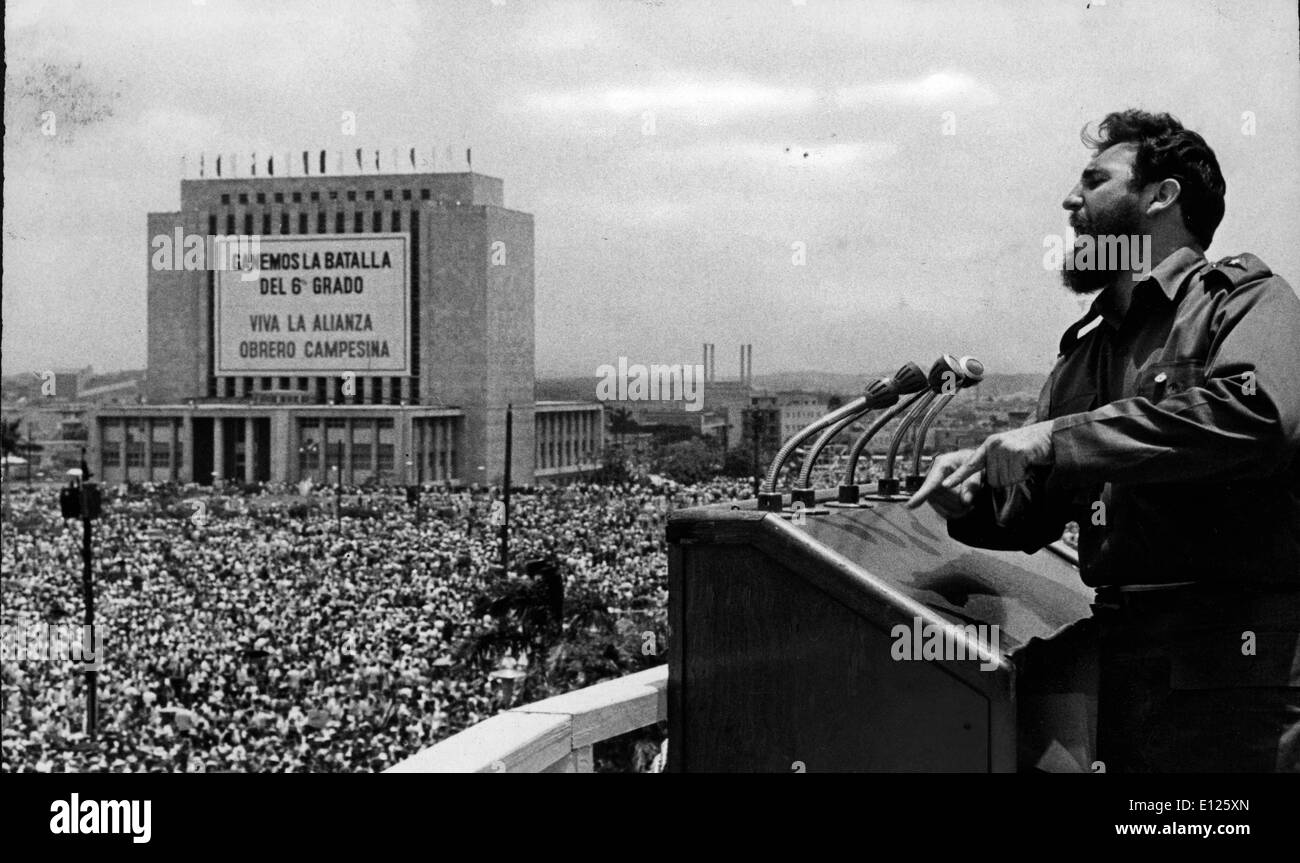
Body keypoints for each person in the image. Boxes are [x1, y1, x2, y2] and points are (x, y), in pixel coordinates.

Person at [908, 109, 1300, 773]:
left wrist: (1054, 437)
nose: (1070, 198)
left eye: (1095, 179)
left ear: (1162, 195)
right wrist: (968, 497)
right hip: (1126, 672)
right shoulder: (1084, 357)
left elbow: (1255, 416)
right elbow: (1030, 512)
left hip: (1236, 677)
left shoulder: (1242, 302)